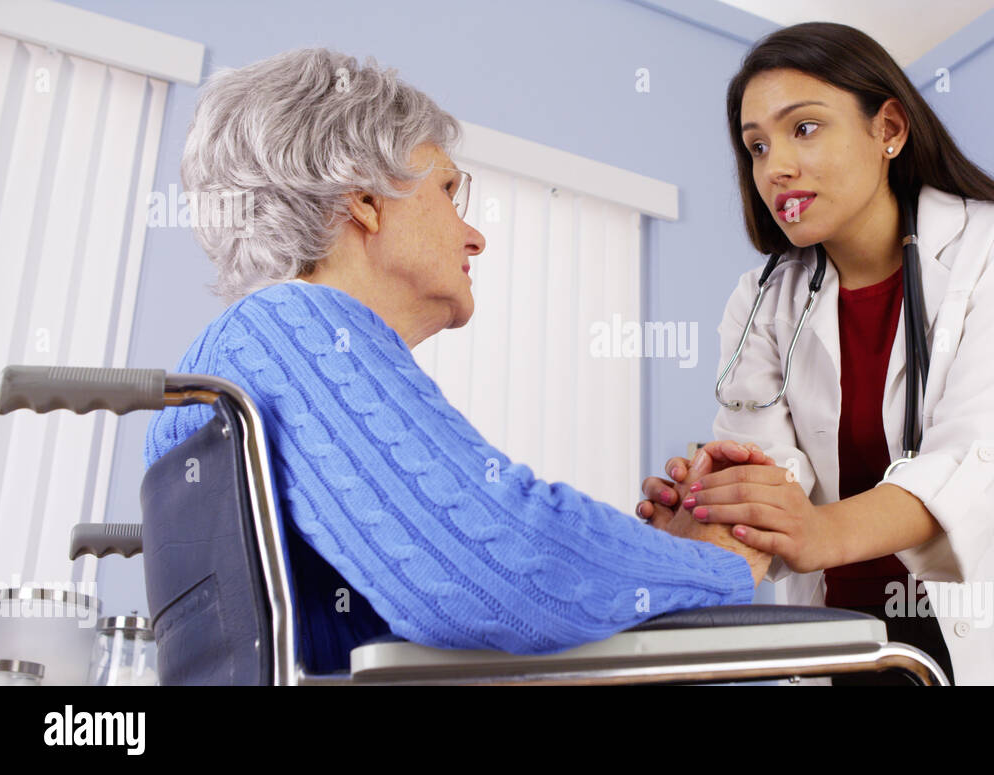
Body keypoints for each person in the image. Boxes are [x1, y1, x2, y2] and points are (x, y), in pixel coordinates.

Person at [143, 47, 772, 674]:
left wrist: (655, 559)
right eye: (448, 189)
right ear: (365, 198)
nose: (475, 236)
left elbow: (460, 584)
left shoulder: (246, 353)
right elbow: (493, 567)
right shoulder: (291, 325)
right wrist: (720, 567)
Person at [636, 23, 994, 685]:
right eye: (756, 146)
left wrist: (814, 531)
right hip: (858, 650)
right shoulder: (759, 304)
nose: (776, 168)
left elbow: (972, 459)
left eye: (803, 129)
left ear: (889, 129)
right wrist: (710, 520)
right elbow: (772, 480)